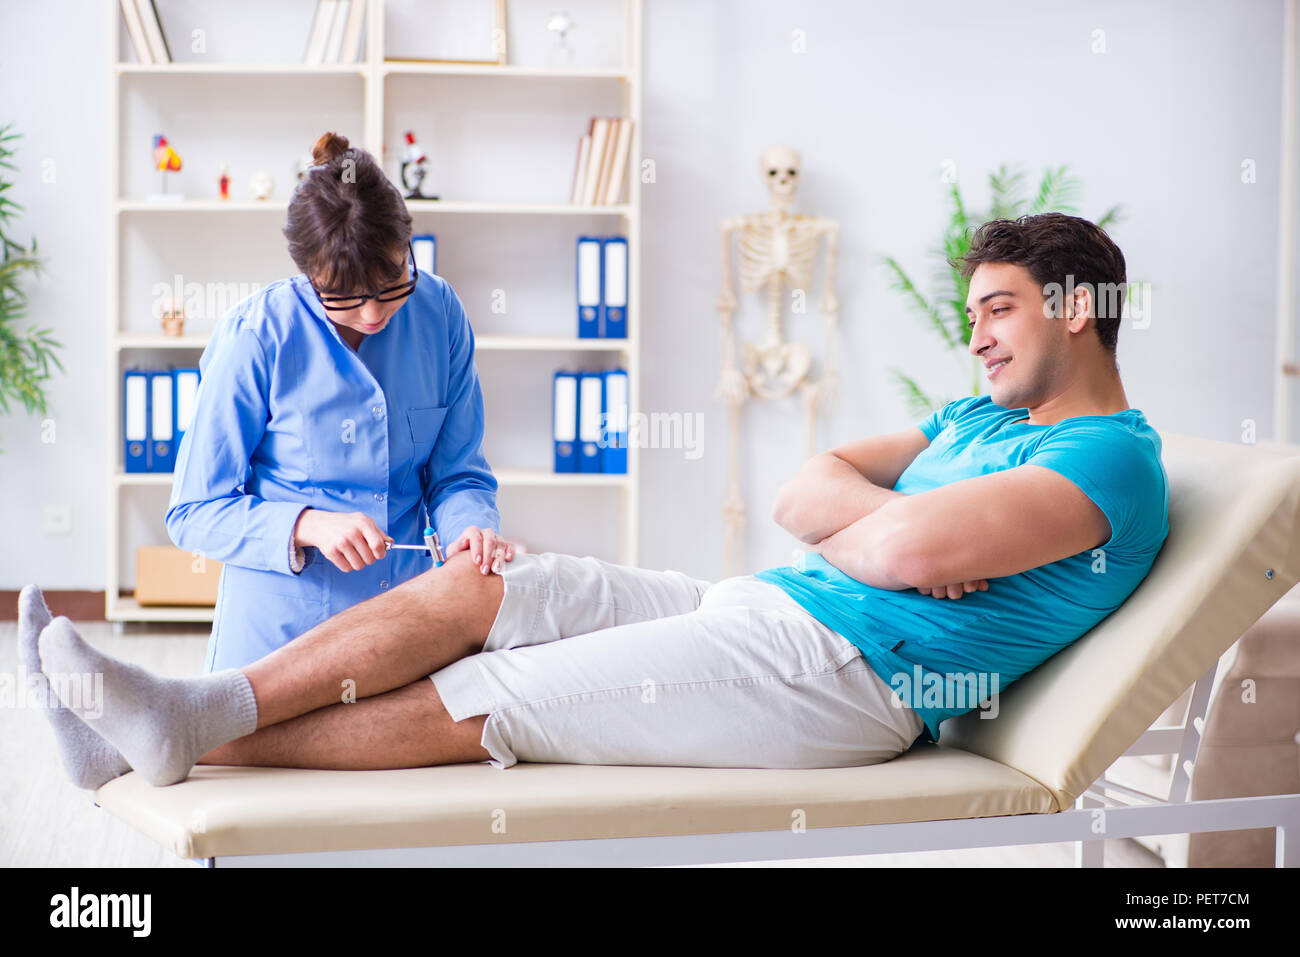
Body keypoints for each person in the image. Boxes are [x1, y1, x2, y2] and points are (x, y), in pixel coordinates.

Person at [22, 212, 1168, 788]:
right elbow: (800, 490)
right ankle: (184, 708)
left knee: (497, 693)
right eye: (973, 315)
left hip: (848, 680)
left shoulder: (1109, 459)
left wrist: (887, 535)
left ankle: (170, 739)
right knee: (484, 588)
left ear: (1076, 307)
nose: (975, 338)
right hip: (761, 606)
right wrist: (891, 534)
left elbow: (900, 545)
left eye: (998, 311)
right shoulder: (979, 423)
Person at [165, 132, 514, 674]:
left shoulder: (439, 312)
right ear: (309, 275)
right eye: (345, 296)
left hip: (403, 621)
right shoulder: (257, 335)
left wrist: (468, 528)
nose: (373, 313)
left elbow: (458, 474)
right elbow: (194, 512)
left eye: (392, 281)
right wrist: (306, 525)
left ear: (407, 246)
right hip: (279, 636)